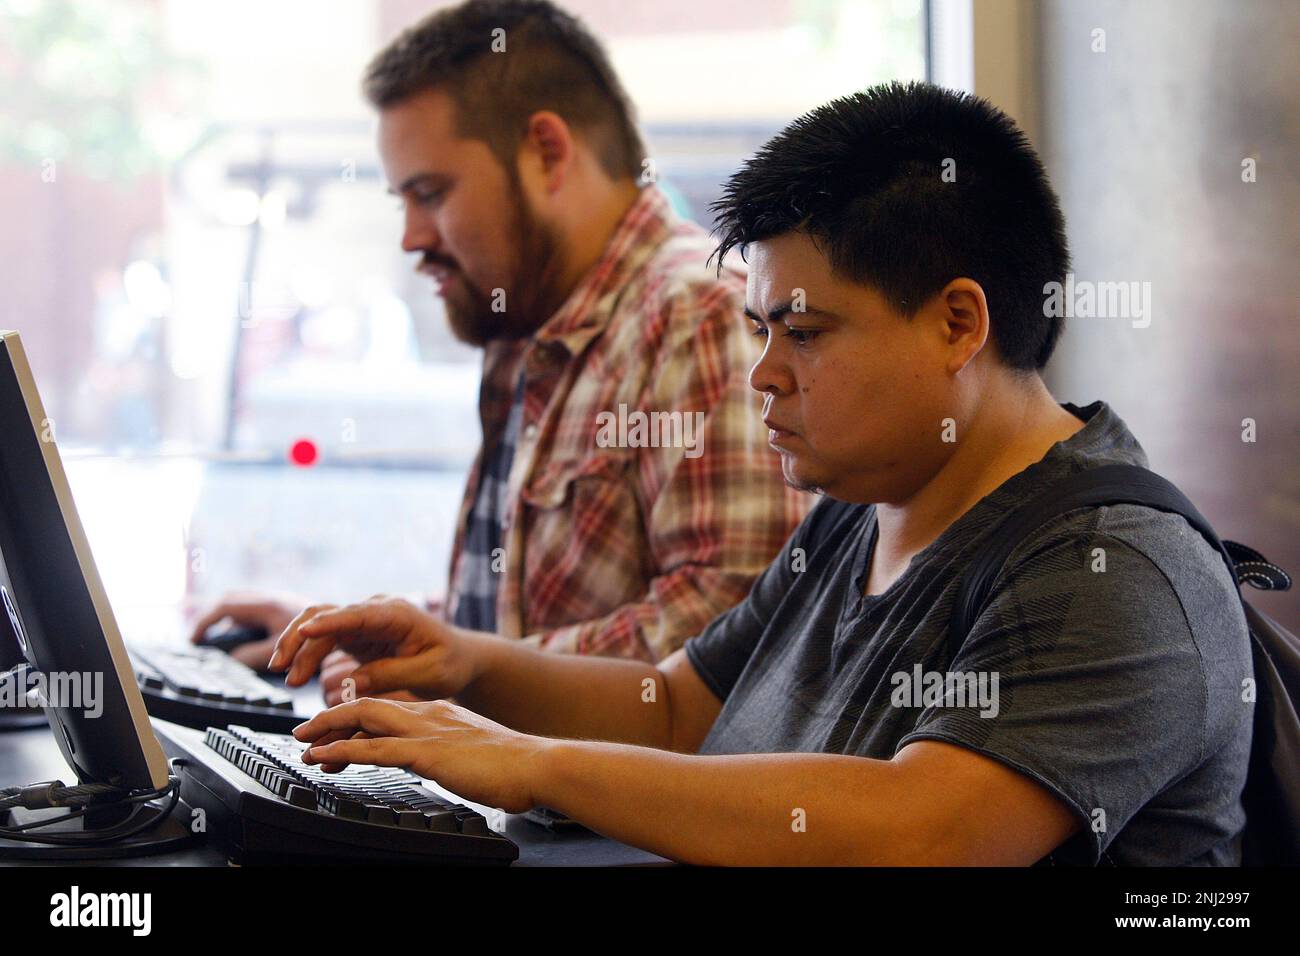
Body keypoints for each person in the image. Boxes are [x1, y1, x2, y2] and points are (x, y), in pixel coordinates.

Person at [271, 81, 1255, 866]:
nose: (762, 375)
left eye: (804, 333)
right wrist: (470, 664)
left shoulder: (1109, 567)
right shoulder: (865, 506)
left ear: (959, 322)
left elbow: (924, 831)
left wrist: (531, 764)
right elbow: (678, 708)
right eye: (756, 330)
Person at [190, 0, 808, 691]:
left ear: (546, 152)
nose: (412, 237)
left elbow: (731, 636)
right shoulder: (529, 321)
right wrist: (367, 637)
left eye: (431, 194)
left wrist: (460, 669)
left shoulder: (697, 314)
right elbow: (513, 628)